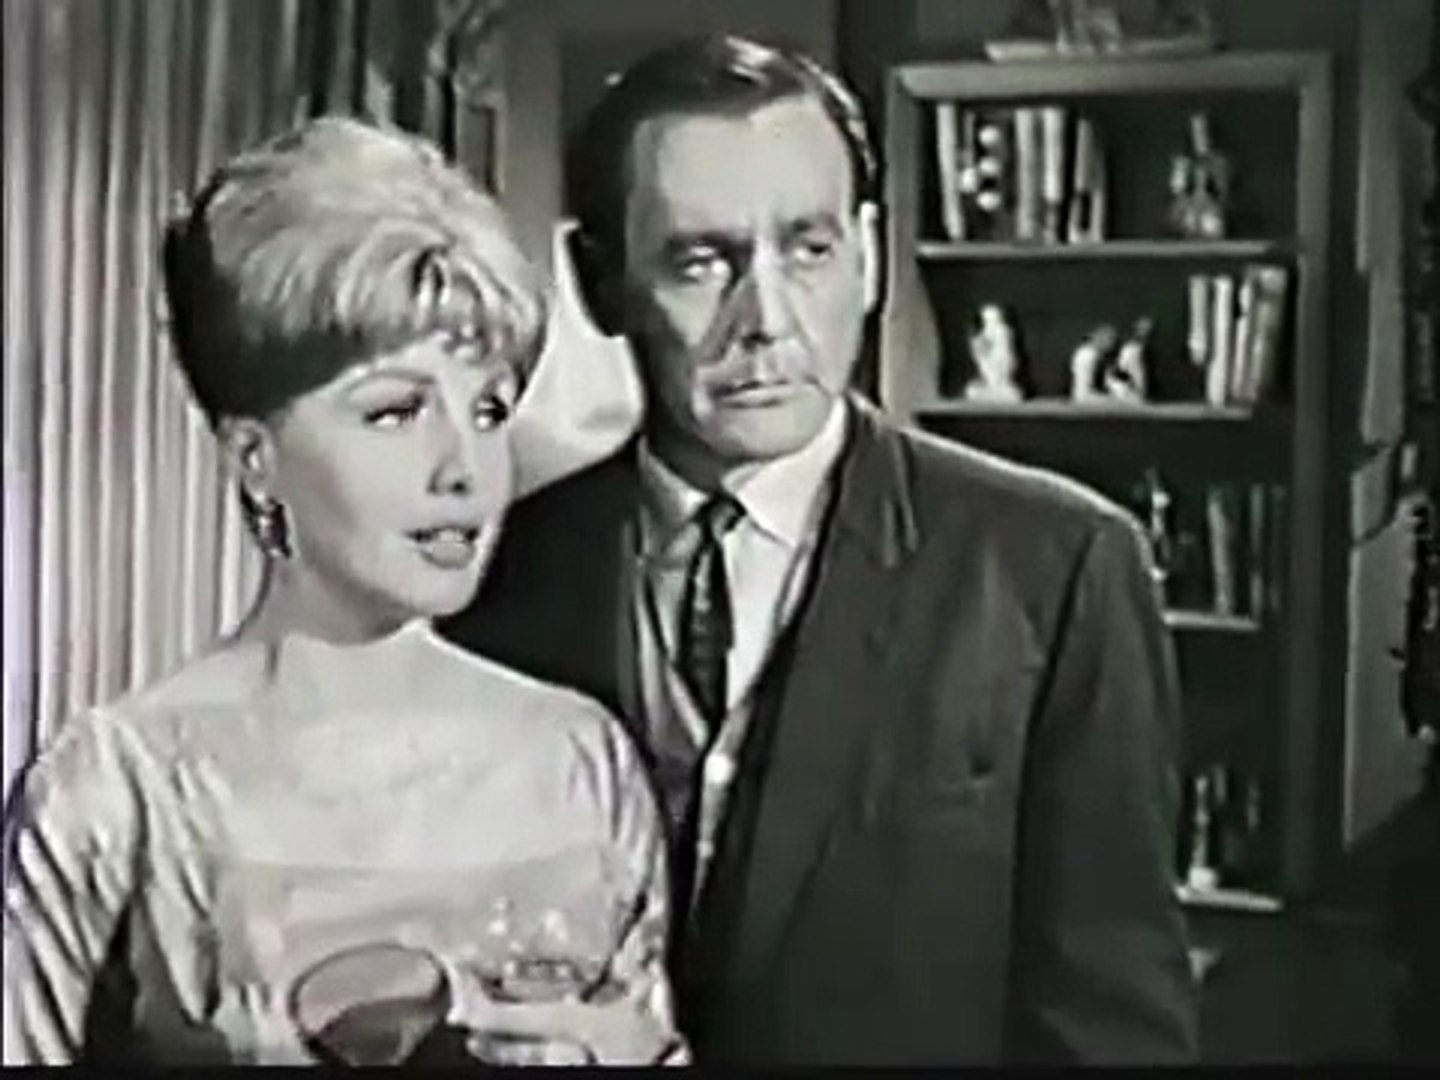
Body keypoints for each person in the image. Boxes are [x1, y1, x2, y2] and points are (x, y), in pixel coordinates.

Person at [440, 34, 1200, 1065]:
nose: (767, 320)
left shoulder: (1057, 569)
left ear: (870, 256)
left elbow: (1112, 1029)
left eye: (808, 249)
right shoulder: (500, 571)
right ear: (598, 281)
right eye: (701, 262)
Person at [1, 116, 684, 1066]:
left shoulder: (580, 763)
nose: (465, 469)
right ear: (255, 454)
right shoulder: (119, 789)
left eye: (487, 409)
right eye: (397, 411)